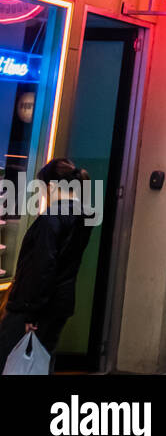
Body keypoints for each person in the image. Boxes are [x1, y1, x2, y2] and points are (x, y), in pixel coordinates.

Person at [0, 159, 94, 372]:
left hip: (31, 309)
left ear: (51, 186)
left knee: (11, 362)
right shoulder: (82, 216)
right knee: (38, 363)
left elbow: (43, 266)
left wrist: (32, 314)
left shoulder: (52, 218)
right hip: (58, 305)